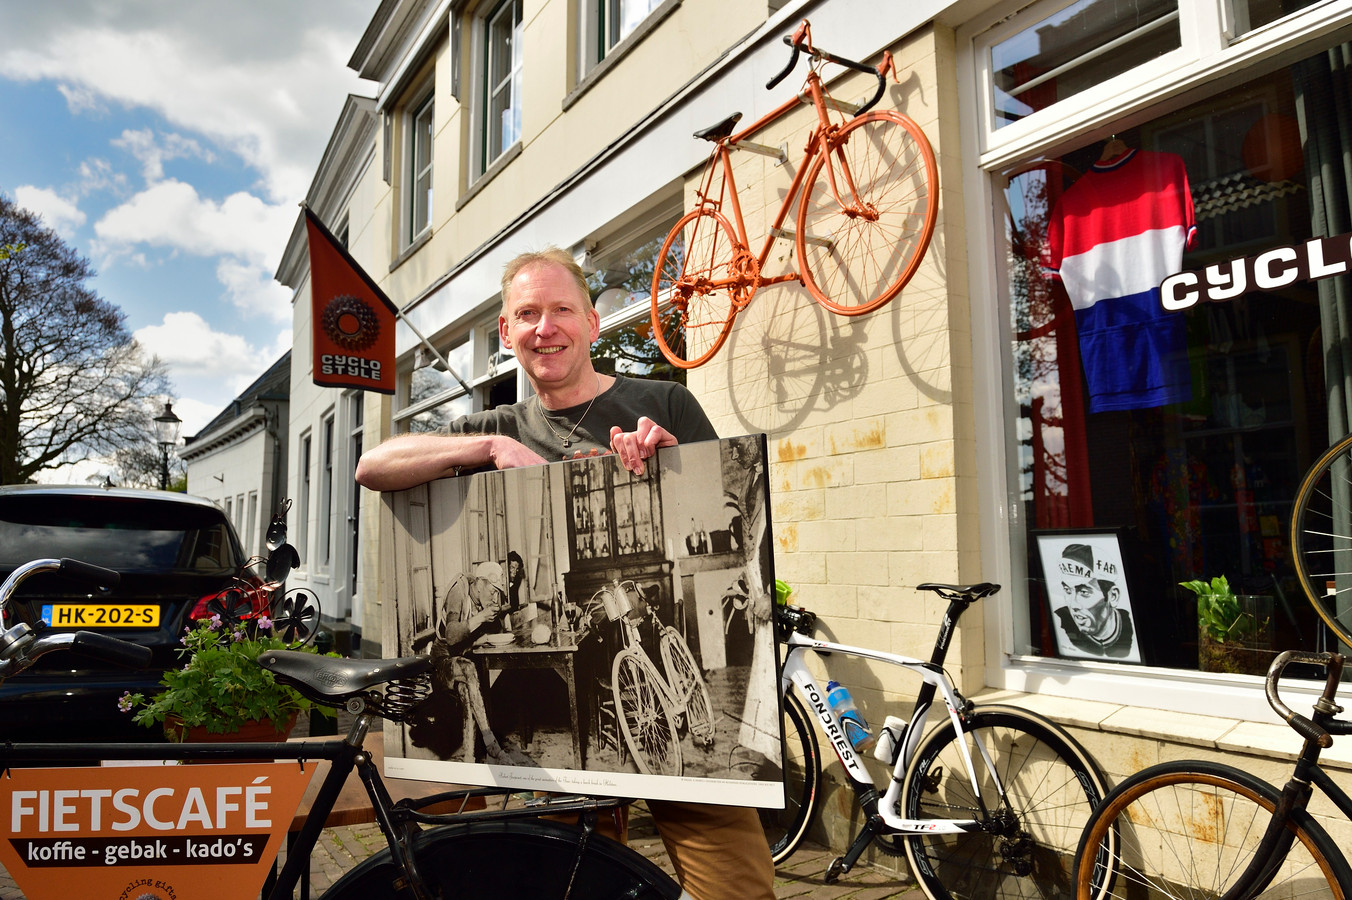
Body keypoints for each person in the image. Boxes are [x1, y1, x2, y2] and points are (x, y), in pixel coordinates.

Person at [356, 246, 776, 900]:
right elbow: (374, 466)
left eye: (561, 311)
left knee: (738, 888)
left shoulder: (666, 403)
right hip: (565, 740)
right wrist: (488, 449)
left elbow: (726, 513)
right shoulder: (490, 425)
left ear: (592, 323)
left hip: (650, 631)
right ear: (506, 332)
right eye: (527, 314)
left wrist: (672, 470)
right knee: (567, 885)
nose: (544, 328)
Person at [1054, 543, 1134, 658]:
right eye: (1067, 590)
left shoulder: (1133, 630)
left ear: (1113, 596)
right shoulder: (1059, 622)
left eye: (1084, 592)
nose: (1073, 604)